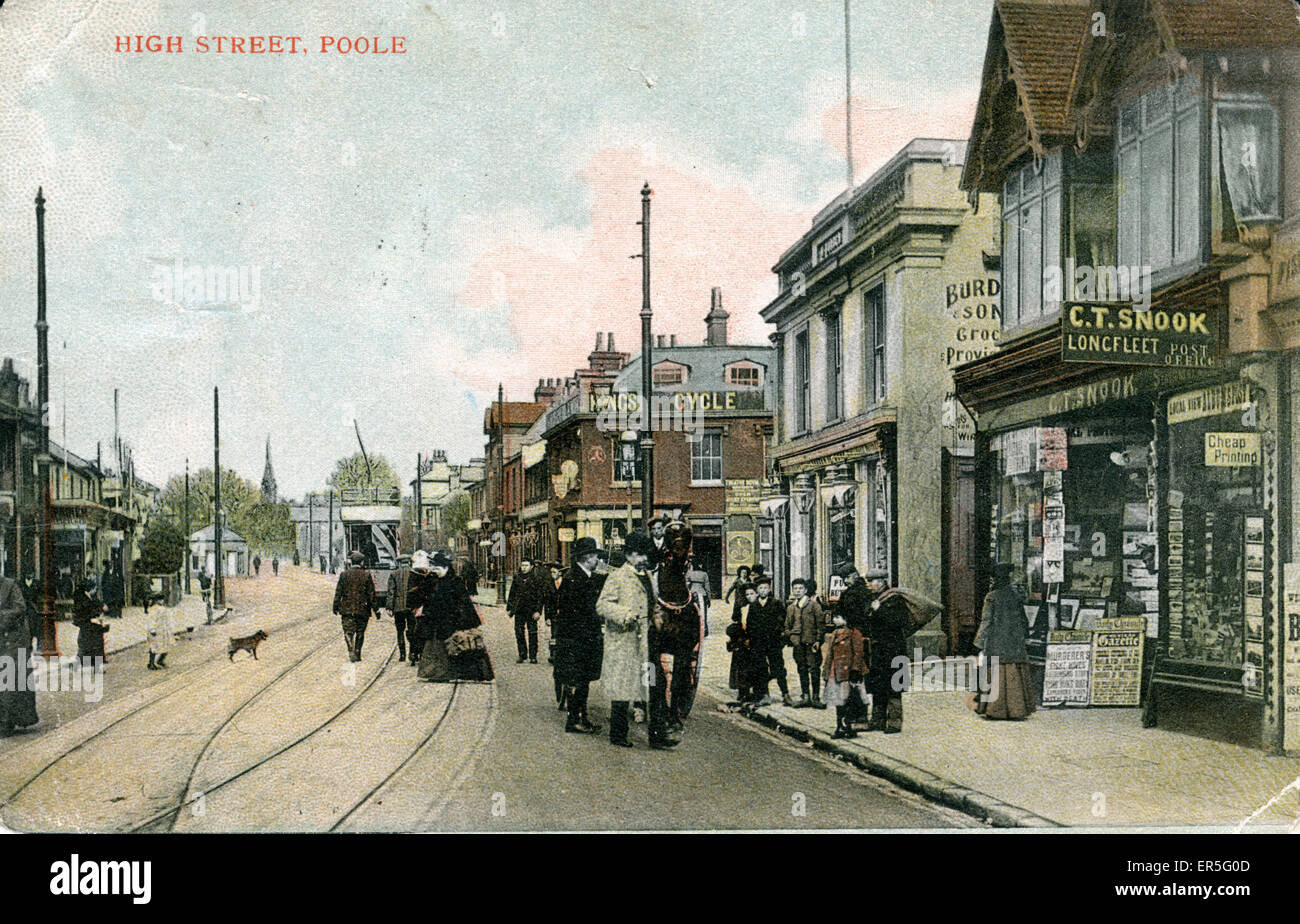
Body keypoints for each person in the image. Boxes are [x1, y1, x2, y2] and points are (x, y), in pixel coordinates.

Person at [597, 531, 676, 749]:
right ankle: (618, 734)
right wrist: (625, 614)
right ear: (630, 555)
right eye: (641, 556)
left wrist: (658, 614)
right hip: (624, 644)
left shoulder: (647, 575)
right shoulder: (618, 577)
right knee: (622, 691)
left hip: (646, 644)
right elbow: (602, 605)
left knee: (651, 687)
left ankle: (657, 737)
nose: (645, 560)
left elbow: (653, 603)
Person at [414, 552, 493, 682]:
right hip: (438, 623)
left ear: (445, 567)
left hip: (453, 621)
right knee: (436, 648)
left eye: (437, 568)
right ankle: (437, 674)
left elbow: (463, 604)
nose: (434, 571)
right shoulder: (434, 581)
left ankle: (450, 674)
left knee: (460, 647)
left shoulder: (455, 582)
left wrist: (461, 620)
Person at [553, 537, 605, 734]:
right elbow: (577, 612)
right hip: (577, 640)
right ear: (586, 557)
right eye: (595, 557)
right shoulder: (575, 579)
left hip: (580, 638)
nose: (598, 561)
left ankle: (581, 717)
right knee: (578, 681)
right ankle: (574, 720)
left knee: (582, 681)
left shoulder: (581, 576)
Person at [973, 563, 1036, 720]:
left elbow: (986, 622)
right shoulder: (1015, 596)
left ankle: (995, 709)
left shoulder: (991, 597)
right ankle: (1017, 710)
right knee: (1015, 674)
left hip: (996, 642)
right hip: (1015, 642)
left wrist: (978, 643)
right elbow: (1024, 619)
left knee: (997, 675)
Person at [865, 573, 908, 733]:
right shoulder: (874, 599)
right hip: (877, 650)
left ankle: (894, 722)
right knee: (877, 685)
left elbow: (898, 621)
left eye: (873, 581)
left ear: (882, 582)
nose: (870, 584)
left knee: (894, 686)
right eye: (869, 581)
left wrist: (880, 610)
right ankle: (877, 720)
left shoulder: (894, 599)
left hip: (893, 650)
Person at [0, 575, 39, 737]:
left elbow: (20, 608)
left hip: (14, 640)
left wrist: (1, 615)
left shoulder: (10, 585)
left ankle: (6, 722)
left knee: (9, 680)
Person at [821, 611, 868, 739]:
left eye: (838, 617)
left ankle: (848, 726)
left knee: (848, 699)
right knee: (838, 700)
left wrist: (855, 670)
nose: (835, 620)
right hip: (835, 671)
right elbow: (829, 654)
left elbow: (858, 653)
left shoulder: (854, 633)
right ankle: (839, 725)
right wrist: (825, 672)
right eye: (834, 617)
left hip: (848, 673)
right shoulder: (835, 634)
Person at [750, 574, 793, 706]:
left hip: (773, 642)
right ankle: (765, 695)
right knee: (761, 668)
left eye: (765, 588)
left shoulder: (776, 604)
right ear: (757, 590)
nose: (763, 590)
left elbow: (783, 621)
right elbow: (750, 624)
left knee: (779, 668)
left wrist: (780, 636)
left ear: (770, 590)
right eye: (760, 588)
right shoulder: (754, 605)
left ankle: (785, 694)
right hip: (759, 643)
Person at [784, 577, 828, 708]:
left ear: (805, 590)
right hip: (798, 644)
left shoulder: (814, 606)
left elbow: (821, 625)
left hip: (811, 643)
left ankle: (815, 697)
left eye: (800, 589)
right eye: (795, 589)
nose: (797, 591)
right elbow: (787, 626)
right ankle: (805, 696)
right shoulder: (791, 608)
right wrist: (791, 637)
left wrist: (818, 641)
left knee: (814, 669)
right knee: (801, 669)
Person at [332, 551, 377, 662]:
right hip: (362, 609)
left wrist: (335, 606)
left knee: (348, 631)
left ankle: (350, 648)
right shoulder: (366, 575)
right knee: (360, 632)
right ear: (361, 562)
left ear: (351, 562)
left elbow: (338, 592)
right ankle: (357, 652)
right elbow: (371, 594)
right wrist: (376, 610)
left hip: (347, 609)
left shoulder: (344, 574)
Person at [727, 584, 765, 705]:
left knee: (756, 667)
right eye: (747, 594)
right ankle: (743, 692)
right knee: (742, 667)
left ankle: (758, 693)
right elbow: (736, 621)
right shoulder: (742, 607)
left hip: (756, 640)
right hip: (743, 640)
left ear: (757, 593)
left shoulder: (761, 606)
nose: (749, 597)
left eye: (752, 594)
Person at [506, 559, 545, 664]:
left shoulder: (536, 579)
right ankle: (522, 654)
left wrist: (538, 611)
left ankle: (533, 656)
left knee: (532, 632)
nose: (524, 567)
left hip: (531, 610)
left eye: (526, 565)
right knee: (519, 632)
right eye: (522, 565)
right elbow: (512, 594)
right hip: (519, 610)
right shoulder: (517, 578)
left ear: (531, 566)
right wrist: (509, 608)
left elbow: (540, 597)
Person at [72, 580, 110, 670]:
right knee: (89, 644)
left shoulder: (90, 596)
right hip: (86, 623)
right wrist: (92, 618)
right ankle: (92, 664)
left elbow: (96, 603)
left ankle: (95, 663)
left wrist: (101, 607)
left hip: (91, 623)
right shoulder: (81, 598)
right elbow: (82, 612)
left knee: (93, 643)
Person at [386, 554, 416, 662]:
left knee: (400, 631)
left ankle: (402, 655)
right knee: (413, 630)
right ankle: (412, 652)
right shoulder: (414, 573)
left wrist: (389, 606)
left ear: (399, 563)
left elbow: (391, 592)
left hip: (398, 608)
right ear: (409, 562)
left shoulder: (394, 574)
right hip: (411, 607)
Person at [544, 561, 563, 668]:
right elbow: (547, 603)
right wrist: (547, 617)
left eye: (554, 572)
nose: (552, 574)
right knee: (554, 635)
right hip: (554, 615)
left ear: (560, 573)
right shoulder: (549, 585)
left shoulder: (566, 584)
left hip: (564, 615)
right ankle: (553, 655)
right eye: (551, 572)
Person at [147, 601, 174, 670]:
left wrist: (170, 628)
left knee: (166, 646)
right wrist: (152, 629)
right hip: (156, 631)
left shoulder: (163, 608)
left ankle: (160, 660)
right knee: (154, 647)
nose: (161, 601)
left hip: (164, 631)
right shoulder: (153, 609)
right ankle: (151, 663)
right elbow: (151, 620)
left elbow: (167, 619)